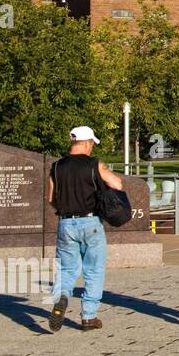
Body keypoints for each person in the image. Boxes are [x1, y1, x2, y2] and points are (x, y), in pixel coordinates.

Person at [46, 126, 126, 332]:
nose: (91, 147)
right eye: (91, 143)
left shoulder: (56, 167)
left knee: (66, 269)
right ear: (86, 142)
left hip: (65, 223)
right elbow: (117, 183)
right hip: (90, 223)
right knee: (93, 270)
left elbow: (51, 198)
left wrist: (65, 210)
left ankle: (62, 297)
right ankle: (89, 317)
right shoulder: (93, 164)